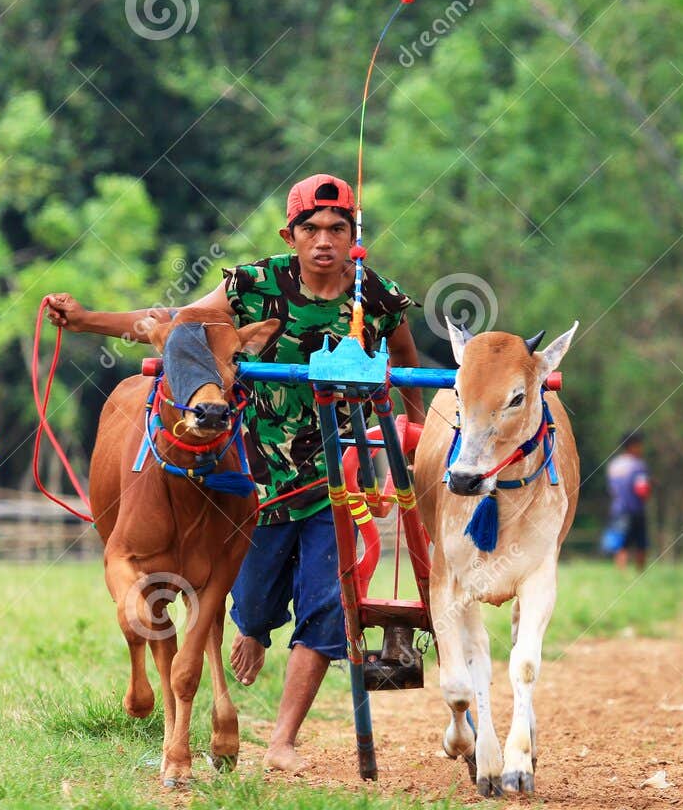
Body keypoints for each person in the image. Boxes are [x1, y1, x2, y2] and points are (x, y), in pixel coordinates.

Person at [45, 173, 426, 772]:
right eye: (311, 229)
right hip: (247, 476)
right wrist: (89, 321)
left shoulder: (375, 296)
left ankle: (281, 742)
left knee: (328, 603)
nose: (323, 240)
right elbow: (175, 326)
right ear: (291, 235)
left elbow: (405, 358)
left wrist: (411, 428)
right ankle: (251, 629)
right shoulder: (253, 284)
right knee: (246, 606)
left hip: (333, 475)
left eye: (337, 229)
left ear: (355, 238)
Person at [603, 431, 650, 571]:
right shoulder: (638, 465)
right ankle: (640, 574)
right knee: (641, 544)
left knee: (621, 543)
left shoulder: (614, 465)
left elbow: (611, 489)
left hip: (618, 509)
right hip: (635, 510)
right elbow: (642, 490)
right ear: (632, 446)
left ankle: (621, 574)